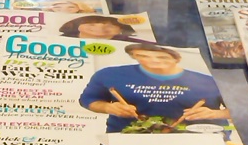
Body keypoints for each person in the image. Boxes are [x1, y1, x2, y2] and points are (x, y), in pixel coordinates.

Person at [79, 44, 229, 133]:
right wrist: (108, 107)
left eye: (162, 57)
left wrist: (215, 114)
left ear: (177, 58)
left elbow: (239, 110)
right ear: (133, 56)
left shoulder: (212, 80)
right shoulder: (109, 74)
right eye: (143, 56)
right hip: (126, 137)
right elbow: (88, 100)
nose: (153, 61)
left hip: (198, 139)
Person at [58, 15, 137, 40]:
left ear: (121, 29)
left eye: (110, 26)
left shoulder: (133, 43)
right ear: (77, 26)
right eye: (91, 24)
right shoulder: (60, 40)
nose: (100, 29)